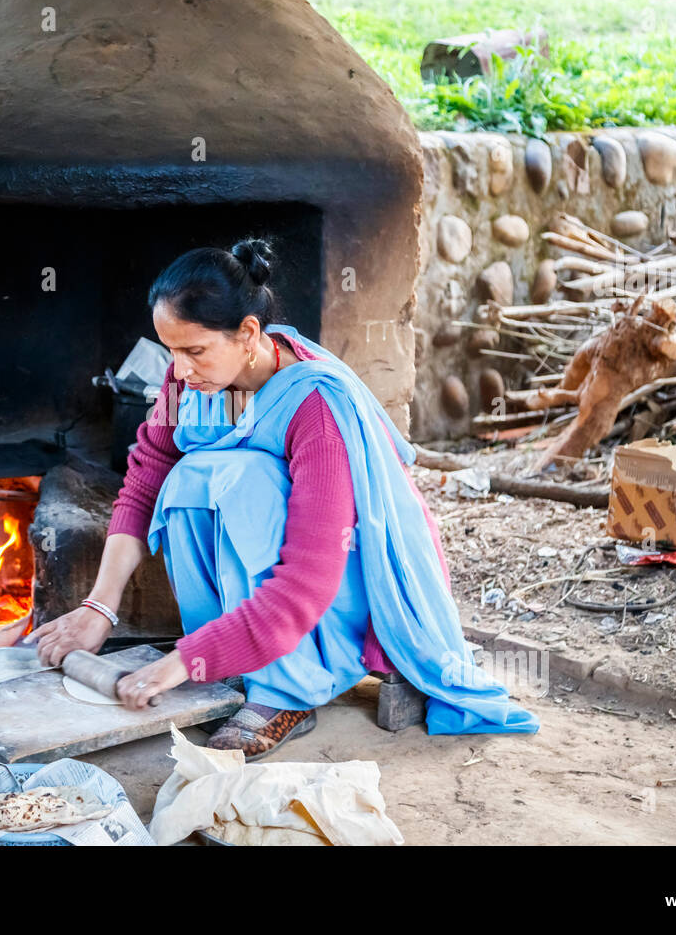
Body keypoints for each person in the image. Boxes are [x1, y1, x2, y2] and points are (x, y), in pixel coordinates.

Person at [32, 238, 539, 759]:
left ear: (248, 333)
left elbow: (306, 582)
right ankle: (231, 656)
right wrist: (99, 606)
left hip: (342, 587)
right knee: (188, 476)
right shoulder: (191, 379)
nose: (179, 372)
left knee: (241, 479)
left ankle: (286, 687)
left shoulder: (315, 409)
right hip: (282, 589)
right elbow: (146, 476)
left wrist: (180, 662)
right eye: (172, 352)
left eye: (194, 351)